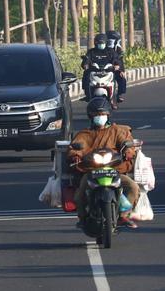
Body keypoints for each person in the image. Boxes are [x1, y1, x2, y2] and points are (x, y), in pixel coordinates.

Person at [68, 97, 141, 230]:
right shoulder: (84, 134)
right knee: (79, 195)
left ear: (108, 115)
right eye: (96, 115)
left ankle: (124, 215)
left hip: (115, 171)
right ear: (91, 116)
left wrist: (128, 151)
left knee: (133, 187)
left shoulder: (118, 130)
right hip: (91, 172)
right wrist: (76, 155)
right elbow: (76, 147)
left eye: (102, 114)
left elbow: (127, 143)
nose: (100, 117)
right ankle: (83, 218)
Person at [81, 33, 116, 102]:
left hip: (108, 71)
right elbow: (86, 60)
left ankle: (113, 99)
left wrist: (117, 65)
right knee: (85, 75)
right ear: (95, 43)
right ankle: (88, 95)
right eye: (99, 43)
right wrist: (85, 65)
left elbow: (116, 59)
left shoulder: (110, 51)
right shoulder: (91, 52)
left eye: (102, 43)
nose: (101, 45)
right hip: (94, 71)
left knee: (116, 78)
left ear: (106, 43)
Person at [106, 29, 127, 103]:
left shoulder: (118, 49)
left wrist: (121, 70)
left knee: (122, 79)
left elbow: (120, 61)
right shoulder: (100, 48)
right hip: (101, 69)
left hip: (114, 69)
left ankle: (119, 95)